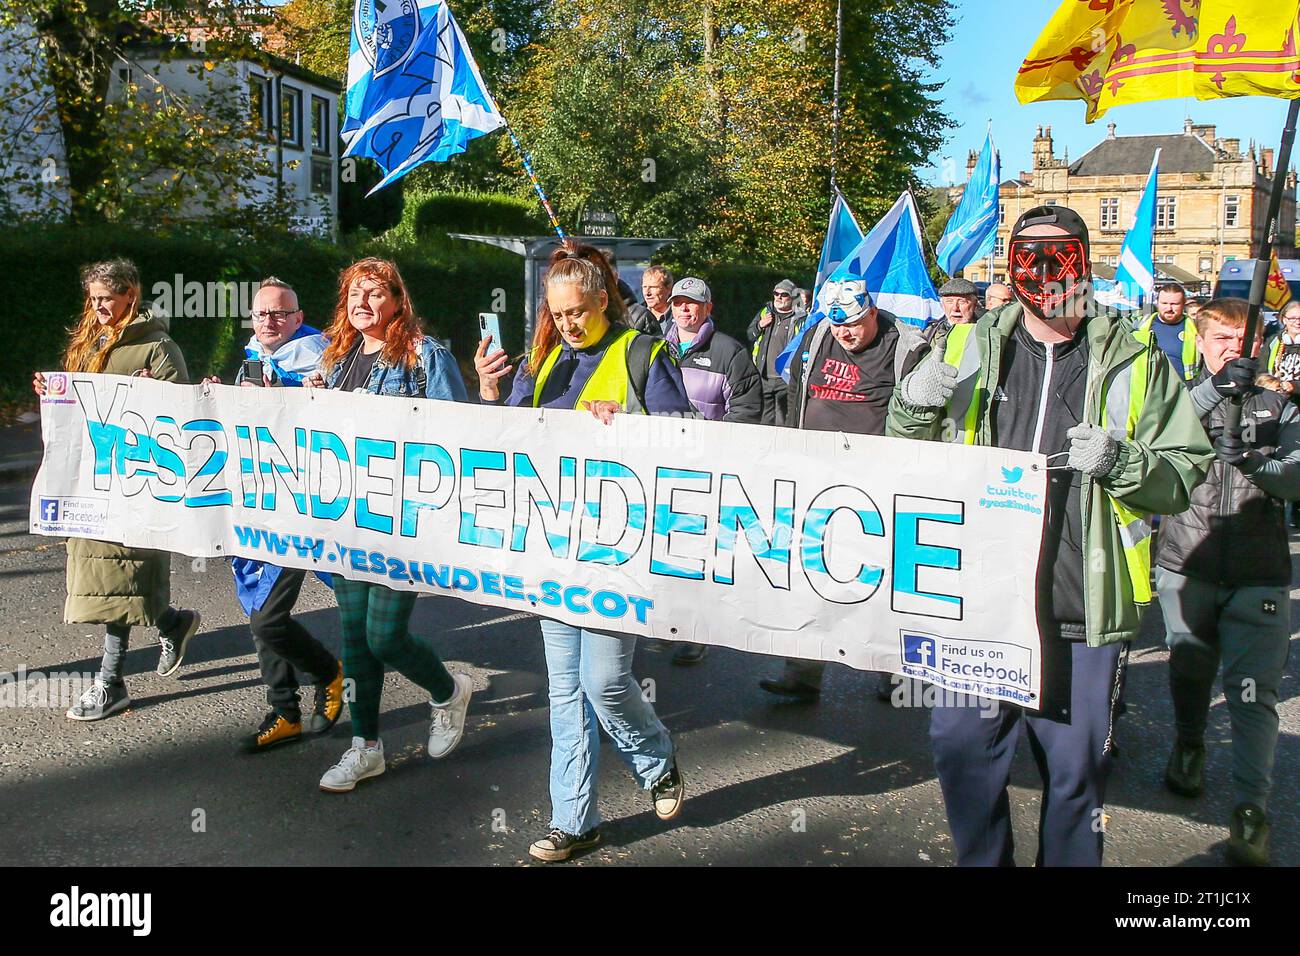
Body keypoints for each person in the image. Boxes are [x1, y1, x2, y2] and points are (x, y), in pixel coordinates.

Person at [887, 205, 1212, 866]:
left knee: (1075, 777)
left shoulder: (1137, 357)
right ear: (1010, 262)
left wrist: (1124, 462)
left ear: (1083, 260)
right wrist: (910, 403)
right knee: (961, 752)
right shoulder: (966, 343)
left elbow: (1183, 473)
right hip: (976, 600)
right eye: (1026, 253)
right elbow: (907, 453)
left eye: (1056, 254)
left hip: (1079, 605)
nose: (1040, 269)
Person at [475, 240, 692, 862]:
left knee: (604, 681)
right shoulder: (540, 362)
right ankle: (574, 821)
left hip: (617, 548)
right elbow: (505, 444)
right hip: (553, 547)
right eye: (558, 313)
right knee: (566, 693)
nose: (568, 324)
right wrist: (491, 394)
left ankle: (655, 759)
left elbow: (688, 441)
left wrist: (625, 422)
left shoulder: (641, 353)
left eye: (579, 311)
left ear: (605, 299)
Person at [302, 258, 474, 792]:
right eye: (355, 293)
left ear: (398, 300)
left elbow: (458, 434)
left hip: (404, 523)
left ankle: (448, 690)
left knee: (384, 636)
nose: (363, 303)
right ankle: (366, 747)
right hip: (348, 518)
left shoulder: (425, 356)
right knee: (354, 636)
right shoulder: (335, 357)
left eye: (376, 294)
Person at [1155, 298, 1300, 866]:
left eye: (1243, 341)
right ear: (1200, 340)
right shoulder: (1182, 397)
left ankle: (1250, 810)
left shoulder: (1281, 407)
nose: (1232, 350)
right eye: (1220, 339)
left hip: (1258, 572)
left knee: (1251, 693)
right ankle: (1189, 743)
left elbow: (1295, 481)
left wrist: (1255, 465)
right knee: (1189, 669)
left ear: (1260, 345)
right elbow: (1160, 439)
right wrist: (1217, 389)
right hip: (1187, 561)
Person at [32, 259, 202, 721]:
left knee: (121, 574)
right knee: (105, 576)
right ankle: (173, 622)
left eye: (106, 298)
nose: (98, 307)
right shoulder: (91, 339)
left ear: (131, 294)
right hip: (93, 477)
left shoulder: (157, 345)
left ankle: (110, 682)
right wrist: (52, 390)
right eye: (93, 299)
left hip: (137, 481)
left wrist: (153, 394)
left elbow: (182, 410)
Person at [759, 271, 927, 703]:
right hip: (818, 477)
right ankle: (802, 672)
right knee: (810, 574)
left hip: (878, 484)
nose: (845, 334)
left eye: (853, 324)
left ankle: (895, 675)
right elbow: (797, 392)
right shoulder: (817, 336)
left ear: (871, 311)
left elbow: (921, 415)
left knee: (881, 581)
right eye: (837, 325)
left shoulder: (904, 344)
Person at [218, 278, 345, 753]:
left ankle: (330, 673)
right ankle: (284, 712)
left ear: (297, 317)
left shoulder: (324, 356)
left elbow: (345, 422)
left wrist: (303, 393)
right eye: (261, 314)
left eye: (279, 314)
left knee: (269, 618)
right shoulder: (252, 358)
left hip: (309, 504)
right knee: (257, 609)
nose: (268, 322)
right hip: (262, 502)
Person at [662, 276, 762, 664]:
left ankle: (696, 630)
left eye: (693, 303)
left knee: (701, 550)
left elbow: (747, 410)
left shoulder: (729, 351)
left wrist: (719, 452)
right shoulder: (656, 347)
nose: (684, 310)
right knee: (666, 543)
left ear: (708, 308)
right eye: (678, 303)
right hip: (662, 464)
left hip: (707, 468)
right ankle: (666, 621)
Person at [748, 279, 803, 425]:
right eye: (776, 293)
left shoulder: (799, 318)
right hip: (763, 376)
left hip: (785, 378)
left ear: (792, 297)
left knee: (782, 421)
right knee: (764, 420)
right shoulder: (765, 312)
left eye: (784, 294)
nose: (778, 297)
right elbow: (749, 335)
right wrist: (760, 325)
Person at [1134, 283, 1200, 383]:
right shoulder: (1141, 325)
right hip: (1148, 387)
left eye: (1174, 304)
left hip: (1184, 388)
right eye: (1164, 303)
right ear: (1157, 303)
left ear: (1183, 304)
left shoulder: (1196, 328)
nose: (1169, 309)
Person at [924, 277, 984, 344]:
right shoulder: (930, 333)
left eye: (962, 302)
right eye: (949, 301)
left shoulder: (985, 333)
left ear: (975, 304)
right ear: (942, 305)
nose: (955, 308)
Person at [640, 265, 674, 334]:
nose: (647, 293)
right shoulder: (635, 316)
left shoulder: (680, 317)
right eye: (644, 287)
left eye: (653, 287)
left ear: (669, 288)